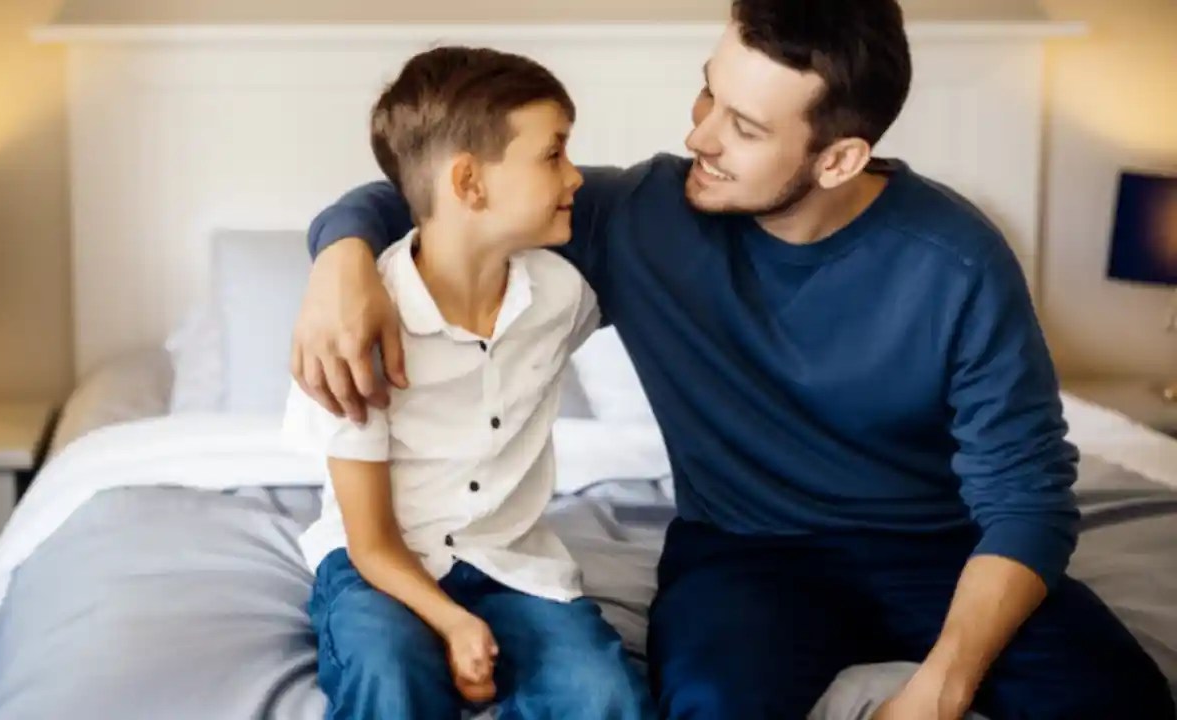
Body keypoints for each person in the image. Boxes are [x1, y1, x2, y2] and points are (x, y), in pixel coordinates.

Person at [289, 2, 1177, 719]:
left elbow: (1027, 501)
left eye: (743, 126)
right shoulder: (640, 213)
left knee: (1125, 703)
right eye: (706, 95)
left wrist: (942, 688)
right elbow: (435, 189)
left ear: (838, 158)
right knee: (706, 706)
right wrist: (341, 260)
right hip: (745, 556)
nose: (701, 138)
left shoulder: (957, 261)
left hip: (940, 551)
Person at [282, 46, 656, 720]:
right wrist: (454, 624)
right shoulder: (355, 328)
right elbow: (370, 542)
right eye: (553, 154)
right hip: (380, 568)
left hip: (514, 566)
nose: (575, 175)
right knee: (387, 672)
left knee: (602, 695)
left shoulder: (563, 296)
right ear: (469, 182)